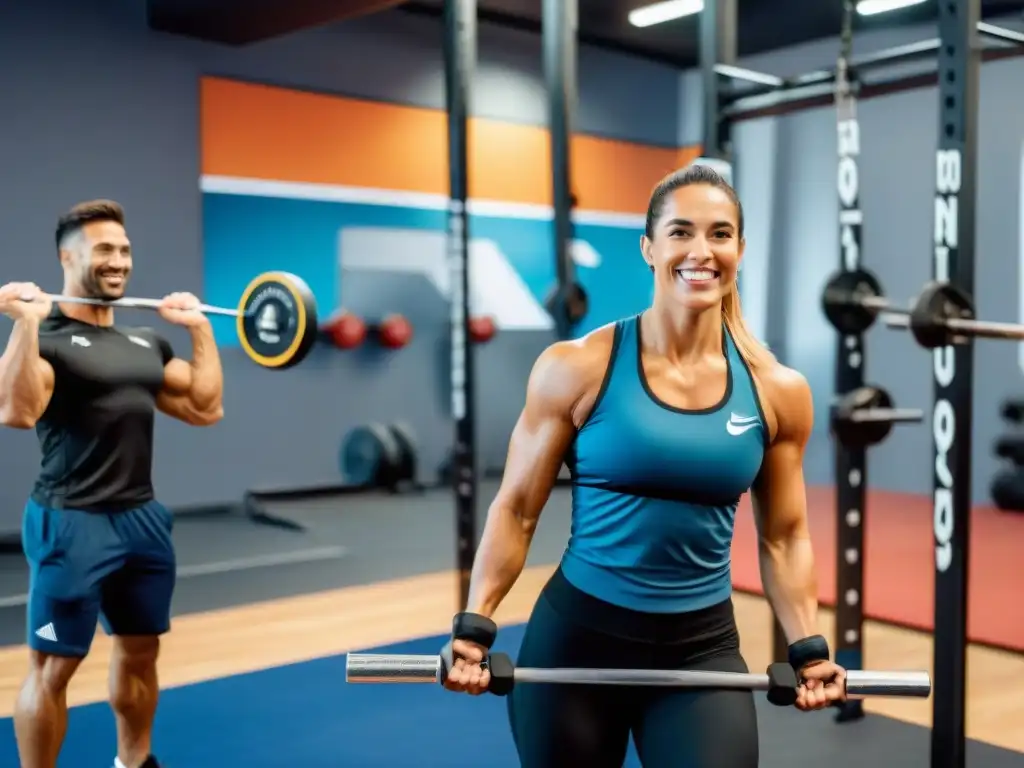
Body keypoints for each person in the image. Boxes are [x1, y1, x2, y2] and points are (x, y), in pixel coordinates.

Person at [441, 165, 846, 767]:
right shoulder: (576, 367)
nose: (701, 251)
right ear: (649, 248)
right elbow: (518, 510)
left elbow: (785, 537)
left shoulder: (777, 390)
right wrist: (475, 624)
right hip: (576, 642)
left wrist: (809, 647)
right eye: (681, 232)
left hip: (700, 649)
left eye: (720, 234)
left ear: (739, 249)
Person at [0, 200, 224, 768]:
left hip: (141, 521)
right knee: (52, 668)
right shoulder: (47, 340)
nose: (118, 260)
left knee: (141, 651)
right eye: (104, 249)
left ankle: (133, 761)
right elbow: (17, 410)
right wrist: (25, 325)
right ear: (67, 256)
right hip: (71, 523)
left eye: (123, 250)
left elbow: (205, 407)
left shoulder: (144, 342)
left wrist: (199, 330)